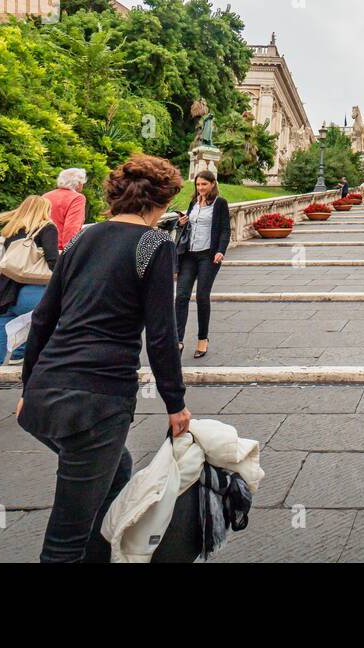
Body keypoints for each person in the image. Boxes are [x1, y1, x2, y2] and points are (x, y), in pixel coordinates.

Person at [18, 154, 190, 563]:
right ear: (161, 202)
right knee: (64, 540)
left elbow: (43, 318)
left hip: (47, 388)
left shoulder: (81, 239)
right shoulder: (154, 244)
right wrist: (175, 402)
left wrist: (28, 386)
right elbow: (162, 335)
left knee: (118, 472)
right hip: (97, 399)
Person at [0, 196, 59, 437]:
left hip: (2, 299)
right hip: (32, 296)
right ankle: (30, 404)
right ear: (44, 211)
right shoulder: (47, 228)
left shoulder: (12, 231)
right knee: (46, 348)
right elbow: (54, 261)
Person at [175, 170, 229, 359]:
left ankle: (202, 339)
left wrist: (221, 250)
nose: (200, 188)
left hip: (209, 256)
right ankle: (178, 340)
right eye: (198, 185)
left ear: (213, 184)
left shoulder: (220, 203)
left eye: (204, 184)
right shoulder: (193, 203)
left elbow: (224, 230)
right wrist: (182, 222)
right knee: (181, 295)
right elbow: (188, 226)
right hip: (189, 255)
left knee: (202, 297)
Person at [43, 168, 88, 251]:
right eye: (82, 183)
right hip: (58, 249)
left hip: (41, 245)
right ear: (78, 184)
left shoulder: (46, 196)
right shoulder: (77, 198)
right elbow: (72, 228)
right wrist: (69, 251)